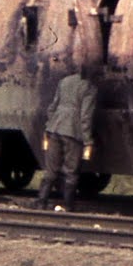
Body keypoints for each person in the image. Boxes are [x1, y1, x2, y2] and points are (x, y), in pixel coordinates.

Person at [34, 66, 99, 209]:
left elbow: (52, 107)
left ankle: (41, 203)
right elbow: (86, 117)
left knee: (51, 170)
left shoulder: (64, 81)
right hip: (73, 132)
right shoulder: (90, 88)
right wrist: (88, 140)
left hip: (54, 128)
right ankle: (68, 206)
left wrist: (49, 126)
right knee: (71, 171)